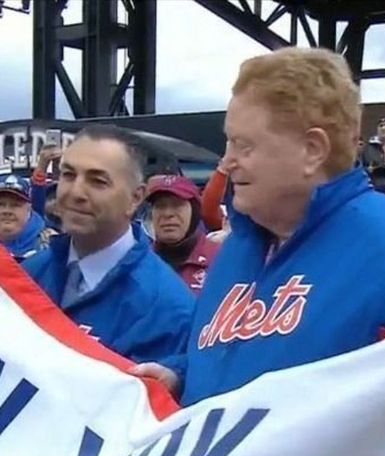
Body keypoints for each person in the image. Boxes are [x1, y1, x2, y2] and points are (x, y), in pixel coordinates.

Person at [131, 47, 385, 405]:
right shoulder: (236, 249)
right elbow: (230, 362)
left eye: (244, 145)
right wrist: (180, 375)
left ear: (312, 149)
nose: (227, 162)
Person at [23, 125, 194, 365]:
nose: (76, 192)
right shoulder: (29, 275)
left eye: (98, 181)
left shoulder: (167, 308)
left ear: (136, 198)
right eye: (69, 175)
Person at [145, 174, 221, 295]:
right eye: (160, 206)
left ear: (194, 211)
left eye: (177, 205)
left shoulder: (220, 258)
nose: (167, 214)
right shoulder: (141, 261)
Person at [0, 174, 56, 261]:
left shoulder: (52, 244)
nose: (7, 211)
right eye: (1, 204)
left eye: (15, 205)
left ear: (29, 208)